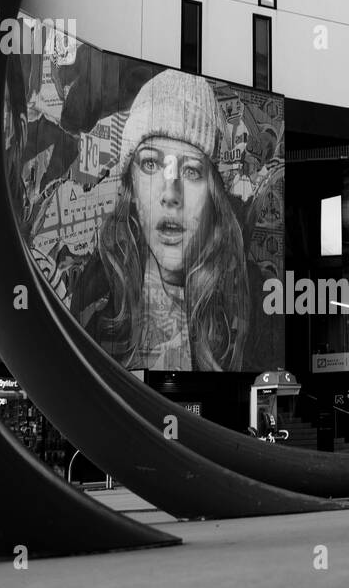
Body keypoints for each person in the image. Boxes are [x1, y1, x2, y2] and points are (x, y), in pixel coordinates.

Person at [71, 69, 251, 371]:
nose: (170, 194)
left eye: (192, 170)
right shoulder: (96, 293)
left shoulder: (245, 303)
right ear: (131, 188)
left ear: (214, 199)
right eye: (151, 163)